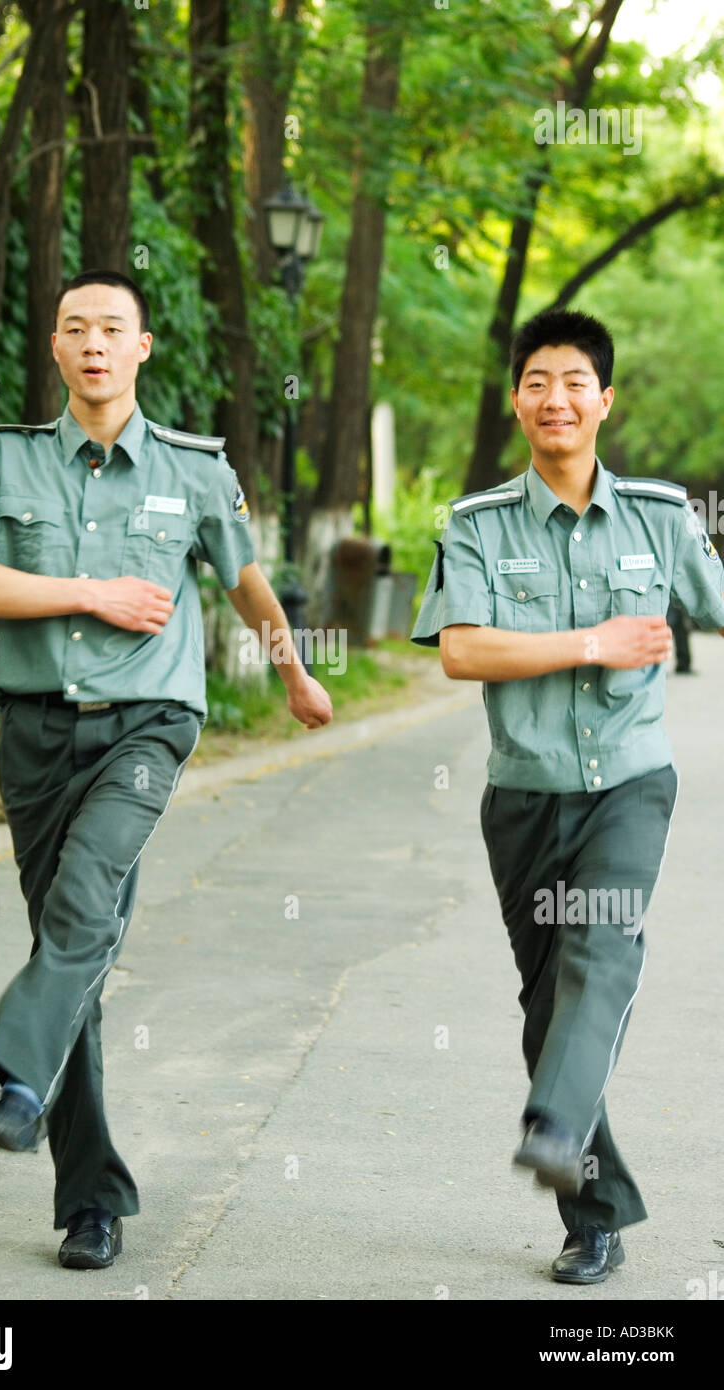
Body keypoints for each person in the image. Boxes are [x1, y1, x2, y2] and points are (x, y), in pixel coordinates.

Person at [0, 269, 333, 1270]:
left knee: (83, 898)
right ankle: (91, 1196)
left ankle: (18, 1071)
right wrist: (89, 591)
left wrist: (292, 672)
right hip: (33, 733)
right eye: (76, 328)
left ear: (141, 347)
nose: (95, 342)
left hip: (149, 725)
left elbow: (246, 583)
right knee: (75, 958)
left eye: (113, 327)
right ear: (56, 349)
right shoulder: (7, 463)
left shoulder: (193, 469)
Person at [411, 308, 724, 1285]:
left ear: (603, 399)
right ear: (517, 400)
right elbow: (461, 647)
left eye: (573, 383)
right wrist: (593, 642)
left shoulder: (661, 517)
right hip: (522, 796)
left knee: (598, 950)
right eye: (536, 382)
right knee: (547, 1008)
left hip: (629, 784)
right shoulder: (475, 525)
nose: (555, 399)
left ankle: (552, 1125)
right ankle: (592, 1214)